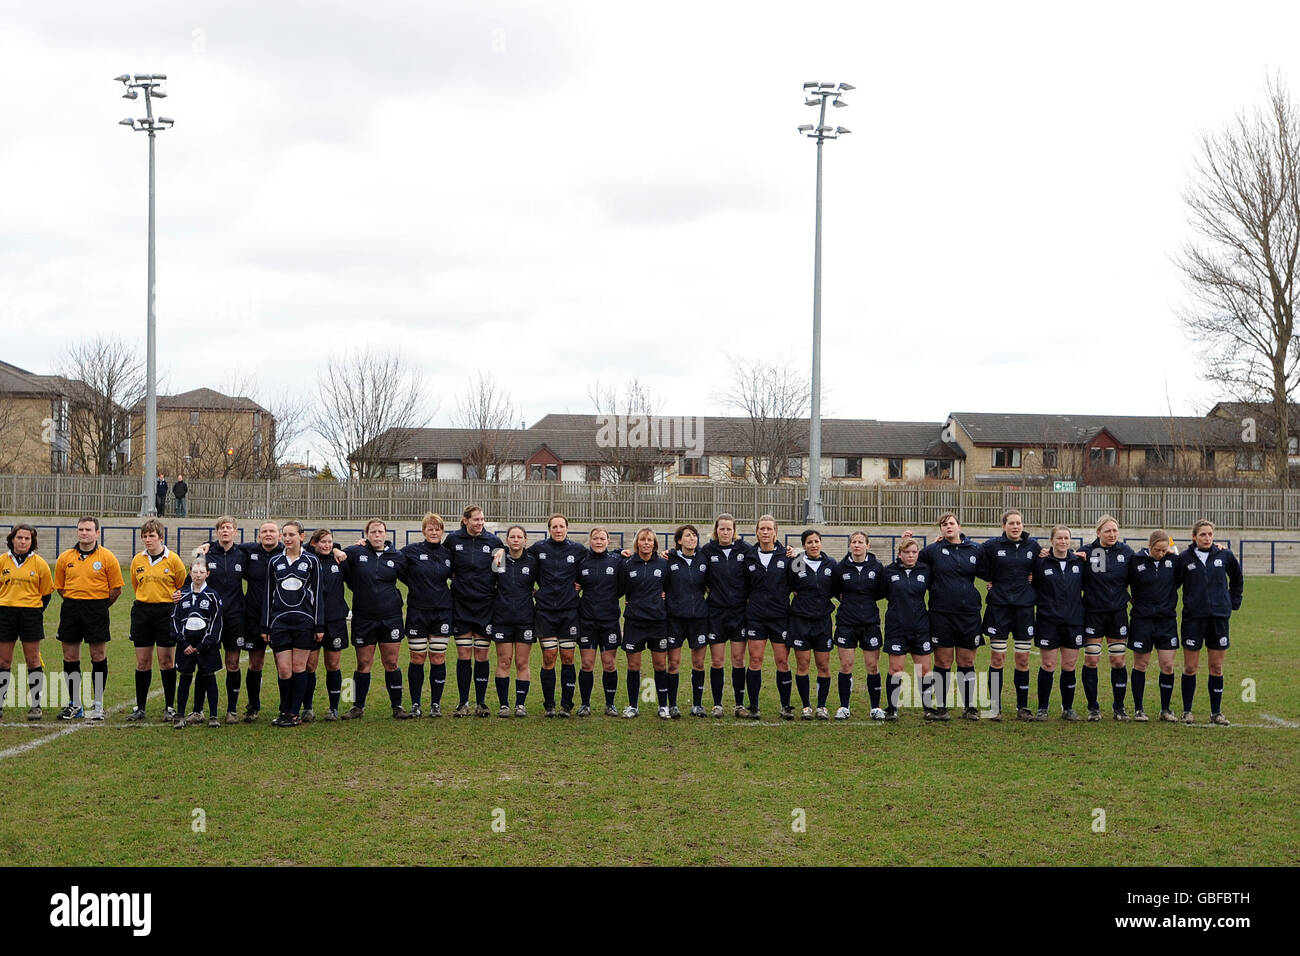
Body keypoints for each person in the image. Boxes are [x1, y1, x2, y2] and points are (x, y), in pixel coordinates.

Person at [912, 514, 986, 722]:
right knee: (943, 661)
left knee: (966, 661)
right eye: (944, 525)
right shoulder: (932, 551)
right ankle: (942, 707)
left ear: (959, 526)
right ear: (940, 530)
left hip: (969, 613)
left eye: (951, 523)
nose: (948, 527)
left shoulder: (975, 549)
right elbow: (910, 560)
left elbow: (992, 572)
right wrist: (906, 539)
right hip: (941, 613)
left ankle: (969, 707)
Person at [53, 517, 123, 721]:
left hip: (97, 609)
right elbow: (60, 587)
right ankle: (75, 704)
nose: (84, 533)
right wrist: (74, 602)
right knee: (70, 657)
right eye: (81, 529)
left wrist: (100, 606)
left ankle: (98, 704)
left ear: (97, 533)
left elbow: (116, 589)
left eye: (88, 530)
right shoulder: (66, 557)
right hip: (71, 609)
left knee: (98, 656)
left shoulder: (107, 557)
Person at [339, 519, 409, 720]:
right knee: (363, 663)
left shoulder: (397, 556)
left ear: (386, 534)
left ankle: (397, 705)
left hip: (391, 617)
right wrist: (337, 549)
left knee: (391, 662)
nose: (377, 535)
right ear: (366, 534)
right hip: (363, 617)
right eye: (373, 532)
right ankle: (356, 706)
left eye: (380, 532)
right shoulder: (355, 552)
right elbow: (336, 559)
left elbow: (412, 578)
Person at [1176, 520, 1243, 725]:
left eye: (1210, 534)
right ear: (1194, 536)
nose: (1207, 538)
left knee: (1216, 667)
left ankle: (1216, 712)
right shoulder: (1184, 558)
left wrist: (1232, 602)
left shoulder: (1225, 555)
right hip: (1193, 619)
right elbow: (1171, 584)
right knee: (1190, 667)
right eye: (1203, 534)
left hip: (1219, 619)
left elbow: (1237, 579)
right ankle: (1187, 711)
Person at [443, 506, 505, 717]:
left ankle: (481, 703)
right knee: (463, 654)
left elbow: (501, 573)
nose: (480, 523)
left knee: (481, 654)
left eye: (482, 519)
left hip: (485, 605)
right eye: (476, 520)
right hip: (461, 605)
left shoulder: (495, 543)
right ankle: (463, 703)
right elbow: (444, 566)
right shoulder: (452, 541)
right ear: (465, 520)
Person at [262, 521, 324, 726]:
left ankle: (294, 713)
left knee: (299, 667)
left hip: (304, 622)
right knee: (284, 669)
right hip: (280, 622)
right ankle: (284, 710)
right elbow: (267, 594)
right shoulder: (274, 562)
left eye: (291, 535)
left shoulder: (312, 561)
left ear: (302, 537)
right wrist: (265, 624)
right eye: (285, 535)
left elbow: (318, 596)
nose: (287, 539)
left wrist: (319, 624)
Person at [126, 518, 189, 721]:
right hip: (143, 613)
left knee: (166, 661)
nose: (148, 540)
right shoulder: (137, 560)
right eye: (144, 536)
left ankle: (169, 706)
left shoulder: (173, 560)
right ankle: (140, 707)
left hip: (166, 613)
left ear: (161, 537)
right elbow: (136, 586)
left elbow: (182, 586)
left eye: (152, 536)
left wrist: (172, 598)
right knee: (143, 662)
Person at [981, 509, 1040, 721]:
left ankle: (1022, 707)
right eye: (1011, 523)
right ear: (1004, 525)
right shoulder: (991, 546)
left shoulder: (1033, 547)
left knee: (1023, 659)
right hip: (999, 608)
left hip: (1024, 609)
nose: (1015, 527)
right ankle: (995, 707)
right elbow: (972, 558)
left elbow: (1044, 566)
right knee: (998, 658)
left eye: (1019, 523)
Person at [191, 516, 252, 723]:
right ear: (217, 532)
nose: (225, 531)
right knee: (204, 663)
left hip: (235, 617)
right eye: (221, 528)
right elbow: (192, 576)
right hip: (209, 618)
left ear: (235, 532)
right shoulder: (206, 553)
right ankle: (198, 709)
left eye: (229, 528)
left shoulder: (243, 554)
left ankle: (232, 710)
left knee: (233, 663)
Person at [527, 513, 587, 717]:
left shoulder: (578, 550)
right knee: (549, 658)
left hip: (569, 612)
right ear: (549, 529)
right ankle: (549, 705)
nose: (558, 530)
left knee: (568, 658)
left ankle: (566, 705)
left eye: (562, 526)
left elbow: (596, 561)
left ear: (567, 528)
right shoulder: (538, 549)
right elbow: (519, 560)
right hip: (545, 612)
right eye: (555, 527)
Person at [1080, 515, 1136, 721]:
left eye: (1115, 531)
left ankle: (1119, 707)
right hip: (1093, 614)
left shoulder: (1126, 553)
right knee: (1092, 659)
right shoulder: (1086, 552)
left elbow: (1142, 570)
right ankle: (1093, 707)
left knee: (1118, 661)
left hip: (1117, 614)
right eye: (1107, 531)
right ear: (1098, 533)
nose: (1112, 534)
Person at [398, 513, 454, 717]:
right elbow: (392, 563)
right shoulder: (410, 552)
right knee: (417, 658)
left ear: (442, 531)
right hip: (417, 612)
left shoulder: (449, 554)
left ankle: (435, 704)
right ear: (423, 531)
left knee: (438, 658)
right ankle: (416, 703)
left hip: (442, 613)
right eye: (430, 529)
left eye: (438, 529)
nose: (434, 532)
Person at [875, 537, 936, 721]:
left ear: (918, 554)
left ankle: (928, 707)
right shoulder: (888, 572)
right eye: (906, 552)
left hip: (920, 627)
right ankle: (892, 708)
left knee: (925, 670)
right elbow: (878, 593)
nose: (910, 555)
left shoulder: (926, 571)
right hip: (896, 628)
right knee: (896, 669)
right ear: (899, 554)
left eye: (914, 552)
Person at [699, 514, 754, 717]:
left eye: (729, 529)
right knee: (717, 661)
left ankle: (739, 705)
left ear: (734, 530)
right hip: (716, 614)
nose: (725, 532)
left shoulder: (745, 549)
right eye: (721, 529)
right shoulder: (707, 550)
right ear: (716, 530)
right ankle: (717, 704)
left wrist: (793, 552)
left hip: (739, 613)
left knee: (738, 660)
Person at [1031, 525, 1086, 720]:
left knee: (1069, 666)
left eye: (1066, 538)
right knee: (1048, 665)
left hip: (1073, 622)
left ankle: (1067, 708)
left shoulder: (1079, 562)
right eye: (1059, 538)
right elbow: (1028, 582)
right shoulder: (1041, 562)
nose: (1063, 541)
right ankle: (1042, 708)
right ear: (1052, 540)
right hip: (1048, 622)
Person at [831, 531, 886, 720]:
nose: (856, 545)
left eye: (860, 542)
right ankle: (844, 707)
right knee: (846, 665)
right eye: (853, 542)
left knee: (872, 666)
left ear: (867, 546)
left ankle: (875, 707)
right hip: (846, 622)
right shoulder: (841, 568)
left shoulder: (877, 567)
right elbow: (835, 590)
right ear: (850, 545)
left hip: (870, 623)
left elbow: (881, 591)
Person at [1126, 530, 1180, 722]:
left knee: (1167, 665)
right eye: (1157, 550)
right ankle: (1139, 709)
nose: (1161, 553)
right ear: (1150, 546)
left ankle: (1165, 710)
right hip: (1142, 621)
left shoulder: (1173, 562)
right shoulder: (1135, 561)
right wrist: (1133, 601)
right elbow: (1120, 583)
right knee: (1141, 665)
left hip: (1166, 621)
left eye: (1165, 550)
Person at [0, 524, 53, 720]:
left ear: (32, 542)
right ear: (12, 539)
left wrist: (35, 611)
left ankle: (36, 705)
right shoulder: (2, 561)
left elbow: (46, 594)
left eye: (27, 539)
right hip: (5, 614)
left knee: (32, 659)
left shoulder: (40, 564)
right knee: (3, 660)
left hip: (31, 615)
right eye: (19, 537)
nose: (23, 541)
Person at [744, 515, 792, 720]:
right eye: (761, 528)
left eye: (768, 529)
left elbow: (800, 582)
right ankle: (754, 706)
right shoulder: (748, 557)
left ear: (775, 532)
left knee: (782, 661)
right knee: (755, 660)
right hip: (755, 617)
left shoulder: (788, 557)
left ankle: (786, 706)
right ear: (756, 532)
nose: (765, 532)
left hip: (780, 617)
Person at [618, 528, 669, 718]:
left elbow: (670, 588)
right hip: (634, 622)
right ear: (637, 542)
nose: (646, 543)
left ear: (655, 544)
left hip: (657, 622)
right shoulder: (628, 564)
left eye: (649, 540)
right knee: (633, 665)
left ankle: (663, 706)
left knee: (660, 664)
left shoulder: (664, 564)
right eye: (642, 540)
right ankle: (633, 706)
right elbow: (622, 590)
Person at [236, 521, 283, 721]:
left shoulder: (288, 551)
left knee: (283, 666)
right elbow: (225, 545)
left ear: (279, 535)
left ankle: (286, 706)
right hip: (254, 616)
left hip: (280, 616)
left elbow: (318, 546)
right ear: (258, 536)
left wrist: (336, 550)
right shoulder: (249, 551)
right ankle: (253, 706)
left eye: (272, 531)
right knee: (255, 663)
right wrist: (207, 545)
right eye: (264, 531)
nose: (268, 534)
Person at [787, 529, 836, 719]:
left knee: (823, 665)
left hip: (823, 622)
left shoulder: (831, 564)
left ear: (821, 543)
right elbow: (790, 586)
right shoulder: (796, 563)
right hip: (800, 622)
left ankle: (821, 706)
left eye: (816, 541)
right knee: (803, 665)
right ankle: (806, 706)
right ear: (804, 545)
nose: (813, 545)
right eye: (809, 542)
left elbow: (836, 589)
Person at [488, 526, 537, 717]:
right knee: (504, 661)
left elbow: (544, 583)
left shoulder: (532, 562)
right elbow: (490, 583)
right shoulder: (498, 558)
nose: (515, 540)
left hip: (525, 618)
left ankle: (520, 705)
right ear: (507, 540)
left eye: (519, 537)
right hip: (502, 618)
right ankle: (504, 705)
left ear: (525, 540)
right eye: (512, 537)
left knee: (522, 662)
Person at [576, 527, 624, 716]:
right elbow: (576, 585)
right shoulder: (582, 562)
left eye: (602, 538)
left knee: (609, 663)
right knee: (587, 663)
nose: (598, 541)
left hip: (609, 620)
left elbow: (622, 588)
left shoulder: (616, 561)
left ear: (608, 541)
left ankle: (610, 704)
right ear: (590, 540)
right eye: (595, 538)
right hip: (586, 620)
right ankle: (585, 704)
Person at [171, 557, 223, 729]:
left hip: (206, 646)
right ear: (190, 573)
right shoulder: (181, 595)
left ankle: (213, 715)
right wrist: (183, 643)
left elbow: (217, 623)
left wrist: (203, 645)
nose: (198, 575)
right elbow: (175, 620)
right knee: (185, 678)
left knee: (209, 677)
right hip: (186, 646)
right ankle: (180, 715)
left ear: (208, 573)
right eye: (195, 571)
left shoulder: (213, 596)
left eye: (202, 572)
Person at [664, 524, 709, 717]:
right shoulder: (669, 560)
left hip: (698, 618)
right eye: (688, 536)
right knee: (673, 663)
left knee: (698, 663)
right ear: (679, 540)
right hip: (675, 619)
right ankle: (672, 704)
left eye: (695, 536)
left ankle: (697, 705)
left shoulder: (704, 559)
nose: (692, 539)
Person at [307, 528, 349, 720]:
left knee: (333, 664)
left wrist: (337, 550)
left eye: (330, 542)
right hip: (312, 620)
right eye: (322, 542)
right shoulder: (306, 560)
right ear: (314, 543)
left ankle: (334, 707)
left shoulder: (338, 560)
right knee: (310, 665)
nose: (327, 545)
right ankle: (307, 707)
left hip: (335, 620)